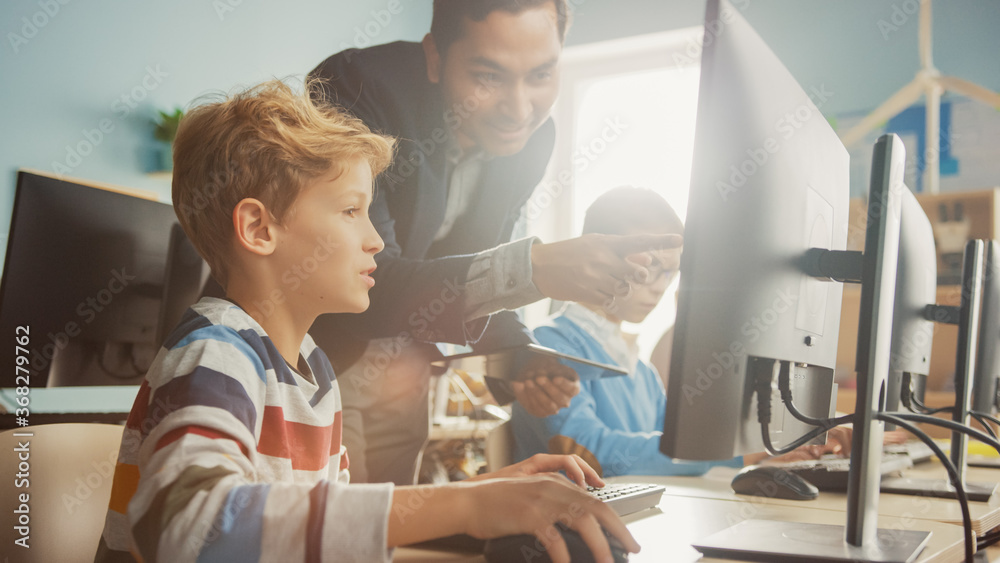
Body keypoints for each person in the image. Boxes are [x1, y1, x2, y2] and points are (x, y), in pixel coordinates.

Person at [94, 80, 639, 563]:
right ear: (259, 229)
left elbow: (327, 530)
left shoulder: (313, 369)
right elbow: (188, 529)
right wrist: (465, 503)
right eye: (351, 211)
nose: (375, 239)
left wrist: (490, 494)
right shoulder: (217, 355)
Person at [307, 0, 681, 485]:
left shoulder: (533, 138)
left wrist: (521, 362)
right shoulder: (359, 88)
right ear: (435, 58)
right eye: (489, 76)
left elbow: (474, 274)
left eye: (542, 75)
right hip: (329, 351)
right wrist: (535, 270)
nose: (519, 109)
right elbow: (368, 280)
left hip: (408, 363)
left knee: (387, 535)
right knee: (341, 537)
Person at [512, 187, 851, 477]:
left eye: (671, 273)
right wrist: (745, 453)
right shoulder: (550, 348)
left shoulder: (639, 368)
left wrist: (779, 443)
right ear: (595, 255)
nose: (660, 287)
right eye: (651, 267)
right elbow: (592, 454)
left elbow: (678, 439)